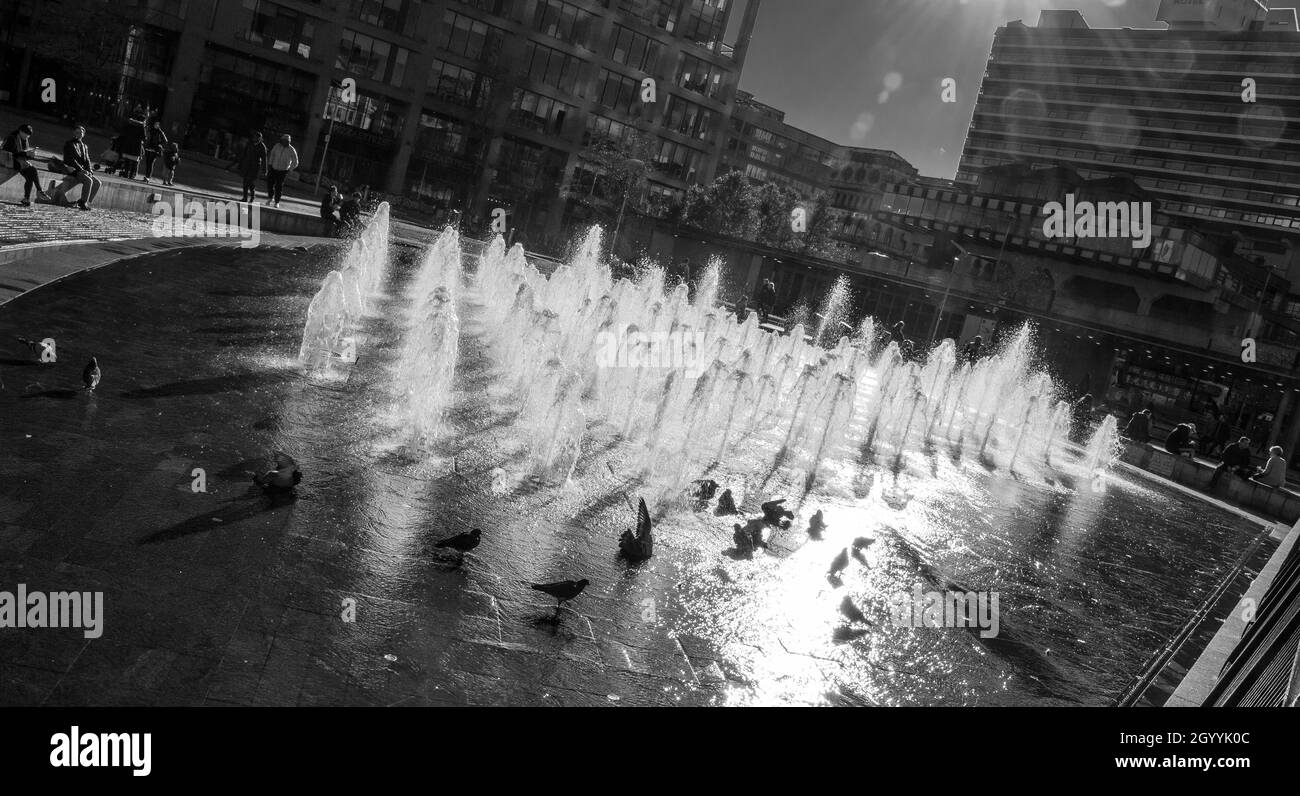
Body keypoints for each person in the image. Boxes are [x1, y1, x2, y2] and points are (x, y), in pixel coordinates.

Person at [48, 125, 100, 210]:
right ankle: (83, 203)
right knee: (88, 180)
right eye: (76, 132)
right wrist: (82, 170)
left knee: (98, 183)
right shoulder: (69, 144)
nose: (78, 134)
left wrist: (89, 170)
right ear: (73, 133)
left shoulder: (84, 146)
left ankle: (83, 201)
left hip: (81, 171)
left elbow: (87, 160)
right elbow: (70, 160)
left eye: (80, 132)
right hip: (71, 169)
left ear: (83, 134)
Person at [2, 124, 53, 206]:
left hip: (18, 161)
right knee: (33, 170)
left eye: (29, 135)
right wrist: (26, 154)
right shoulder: (12, 138)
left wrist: (30, 155)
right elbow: (11, 153)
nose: (27, 136)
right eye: (26, 134)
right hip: (8, 160)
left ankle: (27, 199)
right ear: (20, 131)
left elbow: (23, 156)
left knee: (30, 176)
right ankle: (39, 191)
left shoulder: (24, 140)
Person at [265, 133, 299, 207]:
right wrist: (270, 164)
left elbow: (296, 161)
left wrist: (289, 169)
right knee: (270, 184)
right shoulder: (277, 146)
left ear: (289, 142)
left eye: (287, 141)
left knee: (279, 186)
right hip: (273, 168)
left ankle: (277, 202)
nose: (285, 142)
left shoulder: (291, 149)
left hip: (283, 171)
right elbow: (272, 154)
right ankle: (270, 198)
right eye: (283, 140)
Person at [234, 132, 266, 203]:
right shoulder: (249, 144)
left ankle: (251, 196)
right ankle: (246, 197)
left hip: (255, 167)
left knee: (249, 181)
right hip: (246, 165)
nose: (255, 138)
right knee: (246, 182)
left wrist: (264, 169)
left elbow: (264, 159)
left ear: (260, 139)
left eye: (257, 138)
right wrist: (240, 164)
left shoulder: (262, 146)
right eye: (254, 137)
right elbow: (244, 154)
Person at [118, 115, 146, 179]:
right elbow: (144, 137)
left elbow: (124, 132)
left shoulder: (130, 124)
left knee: (127, 161)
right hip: (136, 146)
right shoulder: (141, 127)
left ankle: (126, 173)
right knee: (134, 162)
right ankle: (131, 175)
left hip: (128, 144)